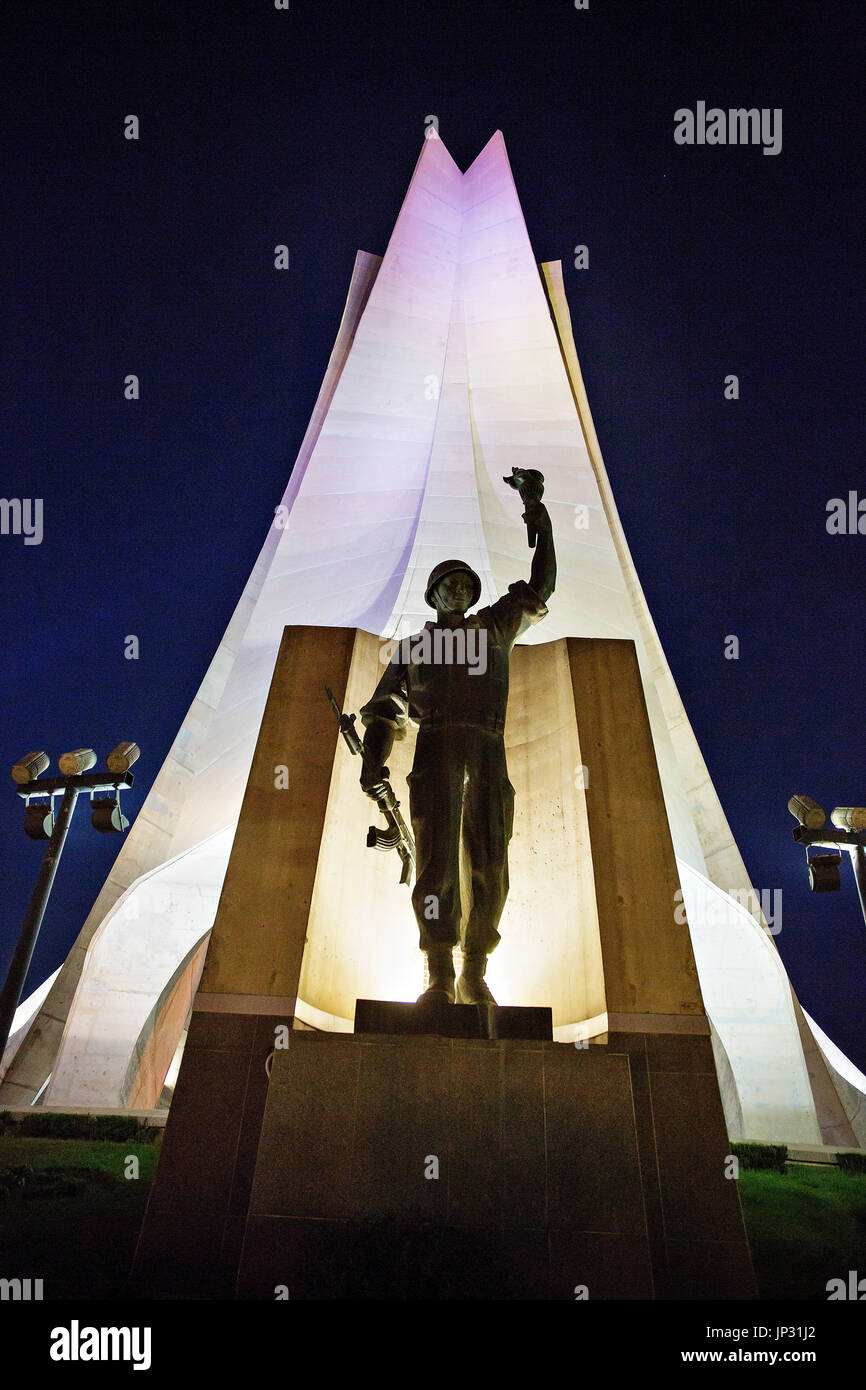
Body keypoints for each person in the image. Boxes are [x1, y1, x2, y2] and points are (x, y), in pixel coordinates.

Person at [358, 496, 556, 1004]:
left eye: (468, 583)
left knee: (491, 859)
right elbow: (383, 710)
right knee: (435, 862)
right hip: (436, 747)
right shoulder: (415, 648)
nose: (461, 589)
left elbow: (541, 587)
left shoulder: (494, 627)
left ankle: (475, 968)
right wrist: (373, 763)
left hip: (488, 747)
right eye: (451, 583)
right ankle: (440, 970)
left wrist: (540, 516)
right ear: (433, 594)